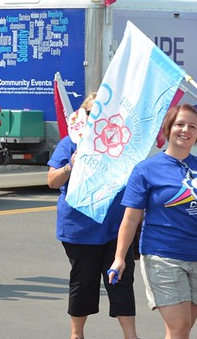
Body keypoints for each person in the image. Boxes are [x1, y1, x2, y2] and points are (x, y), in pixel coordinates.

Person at [108, 104, 197, 339]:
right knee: (179, 327)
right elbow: (130, 218)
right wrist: (120, 258)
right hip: (163, 257)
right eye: (179, 124)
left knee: (181, 330)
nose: (185, 130)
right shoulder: (146, 170)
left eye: (192, 126)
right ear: (168, 129)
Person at [47, 94, 137, 339]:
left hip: (115, 227)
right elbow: (52, 181)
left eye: (102, 115)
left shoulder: (120, 143)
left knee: (121, 280)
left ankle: (131, 336)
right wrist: (70, 166)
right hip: (80, 229)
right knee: (84, 282)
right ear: (83, 116)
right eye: (91, 115)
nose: (96, 120)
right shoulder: (69, 144)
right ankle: (77, 335)